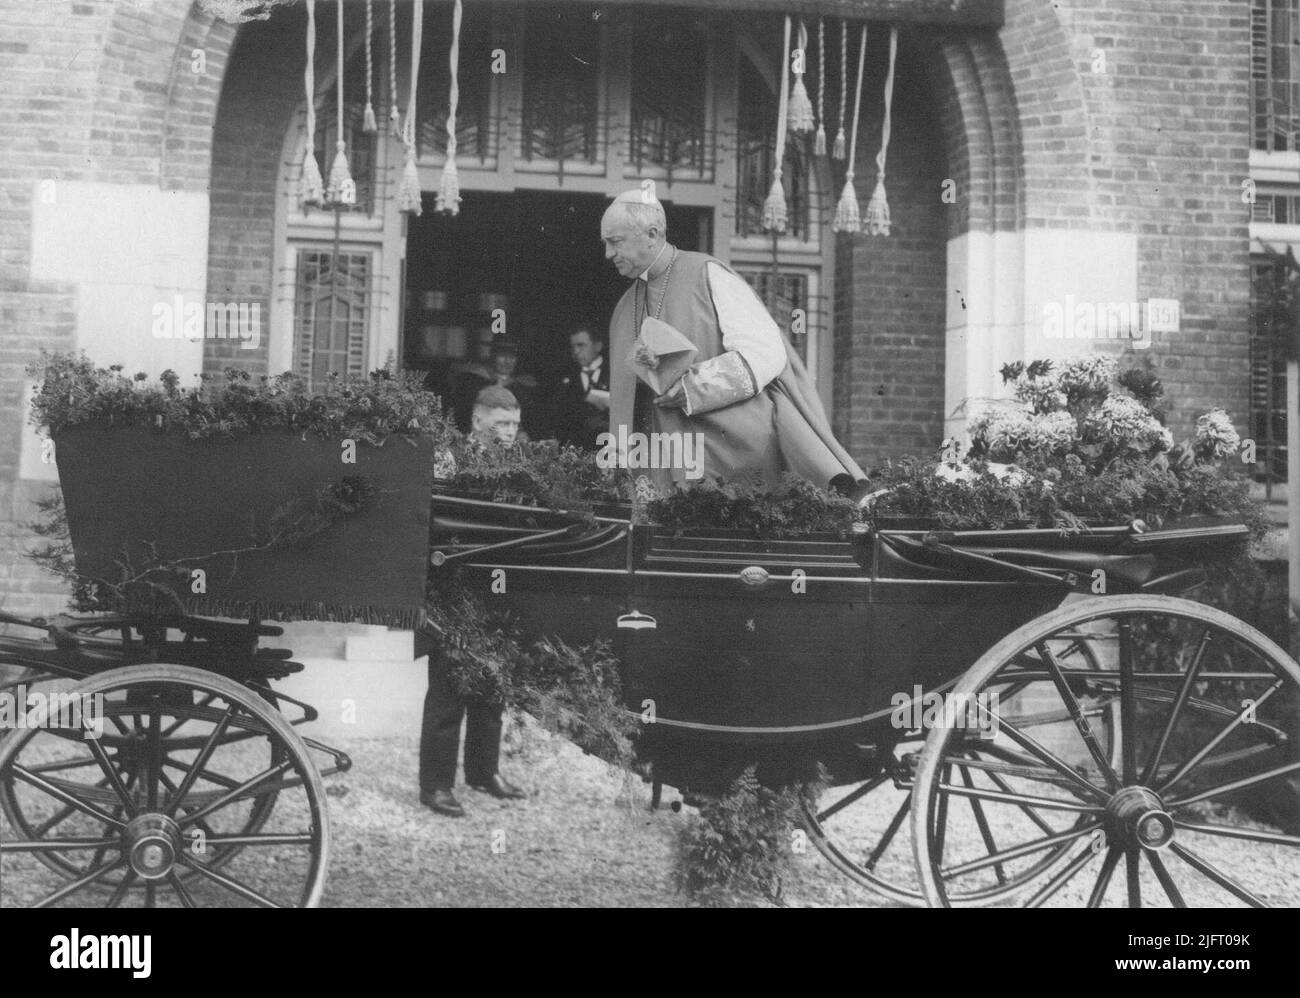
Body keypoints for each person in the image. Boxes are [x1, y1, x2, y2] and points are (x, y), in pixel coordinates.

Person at [600, 183, 867, 495]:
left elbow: (765, 353)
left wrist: (693, 387)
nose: (608, 254)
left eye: (615, 242)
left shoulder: (706, 274)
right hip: (657, 461)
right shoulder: (623, 307)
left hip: (724, 456)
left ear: (652, 233)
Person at [419, 385, 529, 817]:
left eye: (515, 424)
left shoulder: (517, 461)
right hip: (453, 582)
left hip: (498, 583)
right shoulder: (447, 458)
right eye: (501, 423)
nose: (509, 432)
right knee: (448, 686)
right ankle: (435, 786)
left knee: (492, 685)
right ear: (478, 420)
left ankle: (484, 771)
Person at [556, 327, 611, 449]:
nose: (575, 351)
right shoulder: (565, 377)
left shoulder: (615, 373)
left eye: (581, 345)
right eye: (572, 347)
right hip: (577, 450)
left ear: (598, 346)